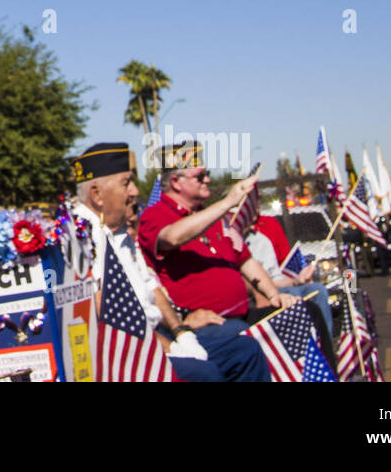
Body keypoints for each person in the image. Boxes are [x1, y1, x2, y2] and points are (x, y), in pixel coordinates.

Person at [70, 142, 269, 383]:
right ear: (97, 194)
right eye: (126, 183)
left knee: (245, 351)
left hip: (162, 334)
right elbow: (105, 311)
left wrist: (181, 333)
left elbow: (151, 288)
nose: (134, 191)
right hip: (128, 351)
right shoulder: (79, 237)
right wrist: (167, 345)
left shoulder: (119, 232)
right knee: (203, 374)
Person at [139, 142, 297, 323]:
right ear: (176, 182)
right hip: (207, 324)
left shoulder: (211, 216)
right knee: (245, 343)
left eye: (207, 174)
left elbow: (245, 260)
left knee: (304, 309)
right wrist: (227, 202)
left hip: (242, 314)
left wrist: (274, 296)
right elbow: (172, 237)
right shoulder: (154, 215)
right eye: (200, 176)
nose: (207, 180)